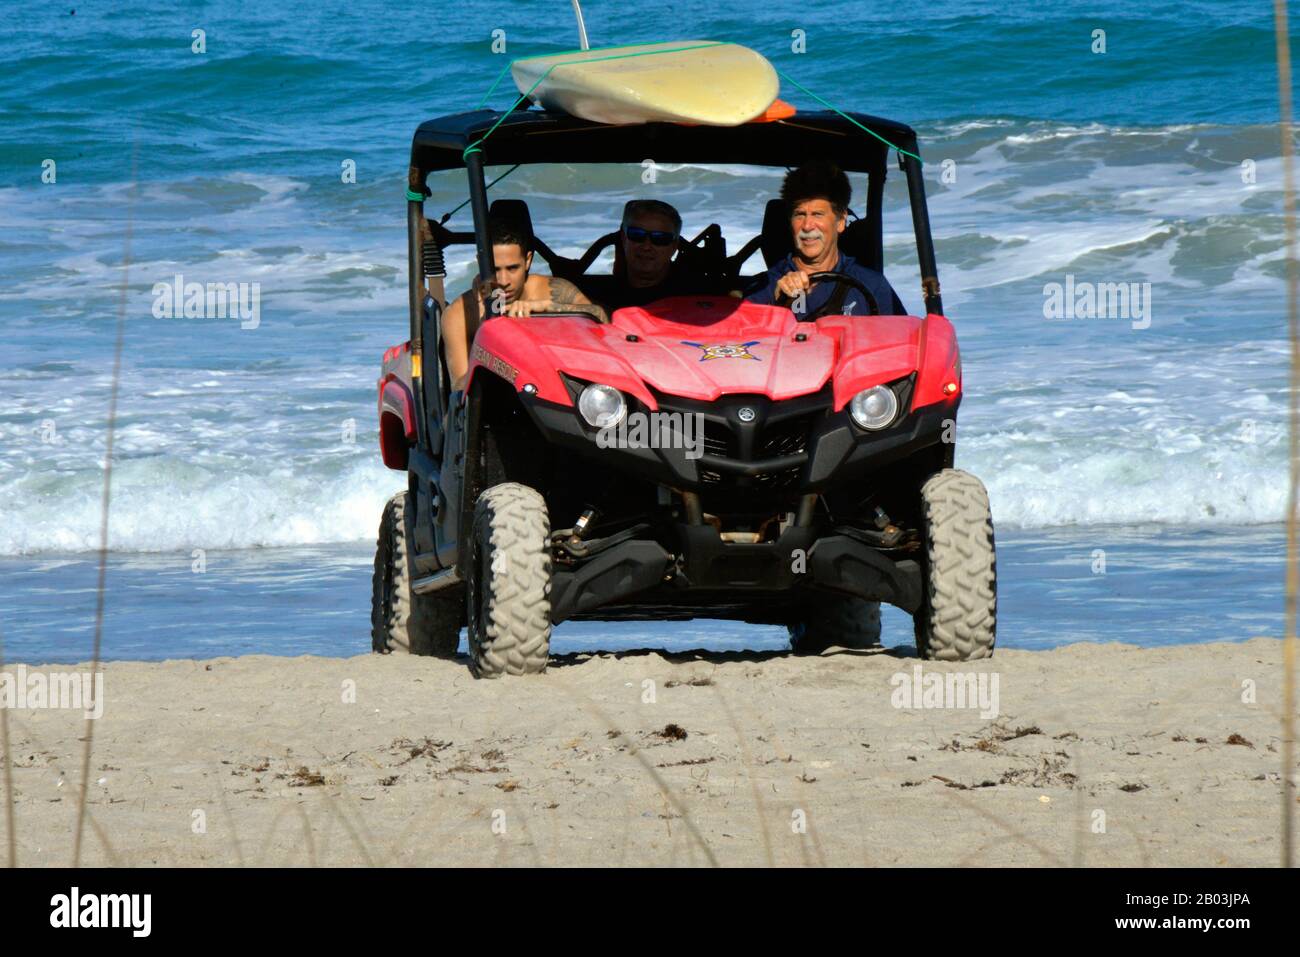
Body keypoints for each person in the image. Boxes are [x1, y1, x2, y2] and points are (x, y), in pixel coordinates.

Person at [440, 215, 606, 390]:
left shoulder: (552, 290)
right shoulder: (460, 314)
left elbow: (601, 317)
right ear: (481, 262)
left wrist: (542, 308)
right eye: (495, 269)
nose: (504, 281)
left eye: (512, 268)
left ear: (527, 261)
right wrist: (485, 333)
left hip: (554, 393)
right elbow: (459, 388)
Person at [746, 161, 903, 318]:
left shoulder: (873, 285)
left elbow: (903, 331)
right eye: (800, 214)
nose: (807, 226)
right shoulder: (764, 287)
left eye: (817, 214)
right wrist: (775, 304)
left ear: (841, 221)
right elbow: (744, 327)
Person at [595, 200, 712, 312]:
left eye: (660, 238)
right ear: (624, 238)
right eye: (637, 235)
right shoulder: (598, 294)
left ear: (674, 246)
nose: (646, 246)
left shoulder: (698, 294)